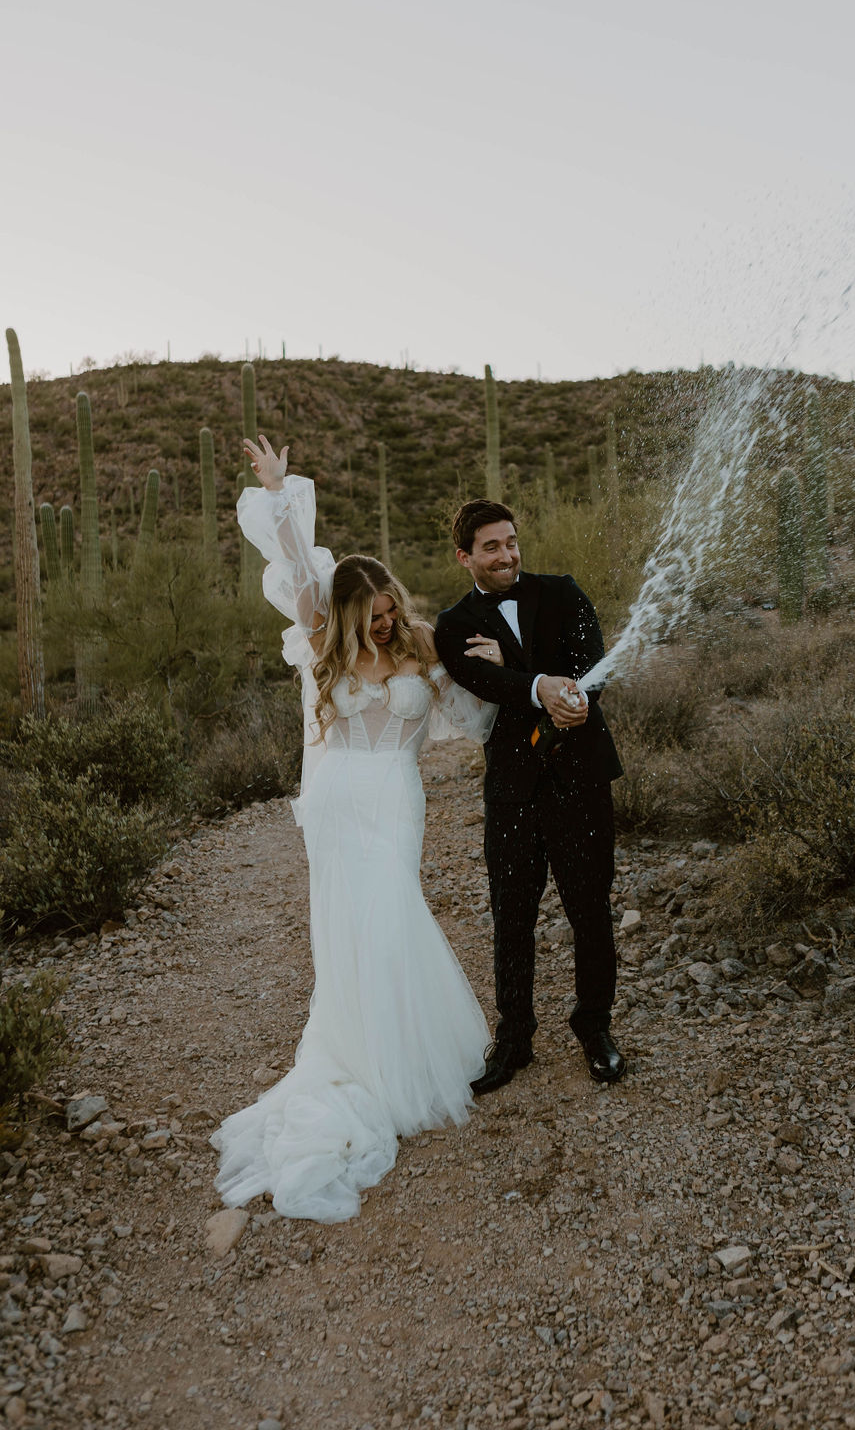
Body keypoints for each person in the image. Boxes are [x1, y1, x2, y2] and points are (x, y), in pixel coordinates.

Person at [210, 437, 502, 1223]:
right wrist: (279, 494)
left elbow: (472, 716)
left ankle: (399, 1053)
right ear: (345, 614)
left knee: (391, 915)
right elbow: (297, 565)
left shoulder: (420, 643)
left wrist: (488, 661)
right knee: (349, 927)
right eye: (370, 617)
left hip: (395, 800)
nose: (383, 624)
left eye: (389, 611)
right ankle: (364, 1057)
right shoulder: (321, 637)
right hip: (337, 801)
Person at [434, 498, 627, 1096]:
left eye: (511, 542)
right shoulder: (453, 625)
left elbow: (593, 666)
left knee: (590, 910)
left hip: (581, 780)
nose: (507, 555)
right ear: (465, 557)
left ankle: (594, 1028)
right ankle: (514, 1037)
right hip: (514, 791)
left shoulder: (564, 592)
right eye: (491, 547)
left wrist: (545, 683)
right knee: (511, 916)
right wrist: (536, 680)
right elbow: (481, 680)